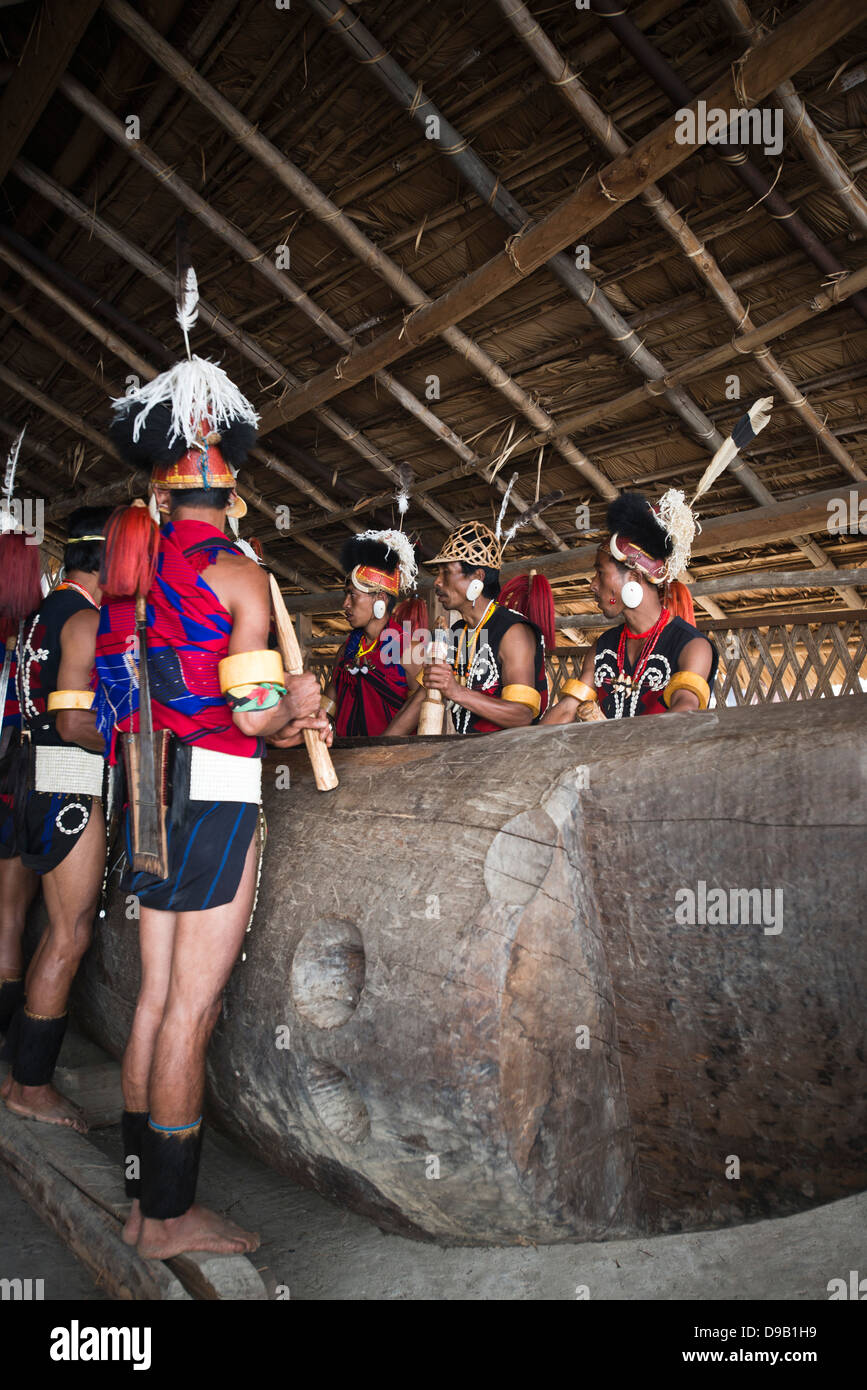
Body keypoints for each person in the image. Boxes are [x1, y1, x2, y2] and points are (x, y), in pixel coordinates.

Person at [94, 351, 330, 1260]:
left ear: (162, 489)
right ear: (230, 489)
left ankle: (138, 1202)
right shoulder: (239, 577)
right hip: (218, 785)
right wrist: (300, 708)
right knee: (192, 1012)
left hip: (145, 781)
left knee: (155, 1000)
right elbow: (254, 715)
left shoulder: (130, 573)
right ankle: (171, 1219)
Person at [0, 508, 112, 1131]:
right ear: (103, 565)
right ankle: (30, 1084)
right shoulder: (86, 619)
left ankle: (17, 1058)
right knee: (70, 935)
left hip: (27, 770)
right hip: (65, 773)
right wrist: (137, 738)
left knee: (31, 922)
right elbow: (73, 724)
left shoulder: (37, 617)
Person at [541, 491, 717, 724]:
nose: (593, 585)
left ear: (634, 577)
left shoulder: (691, 645)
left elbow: (683, 710)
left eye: (600, 573)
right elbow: (567, 709)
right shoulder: (603, 647)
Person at [387, 519, 549, 735]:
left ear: (477, 577)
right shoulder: (458, 632)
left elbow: (522, 715)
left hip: (512, 760)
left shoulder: (513, 631)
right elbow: (422, 696)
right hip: (469, 758)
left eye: (446, 572)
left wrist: (456, 692)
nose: (437, 582)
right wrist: (379, 748)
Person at [322, 531, 421, 736]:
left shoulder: (408, 650)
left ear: (380, 599)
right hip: (345, 758)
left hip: (392, 761)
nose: (345, 604)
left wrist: (381, 750)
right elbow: (329, 705)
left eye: (353, 595)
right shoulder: (347, 650)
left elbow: (421, 711)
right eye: (346, 594)